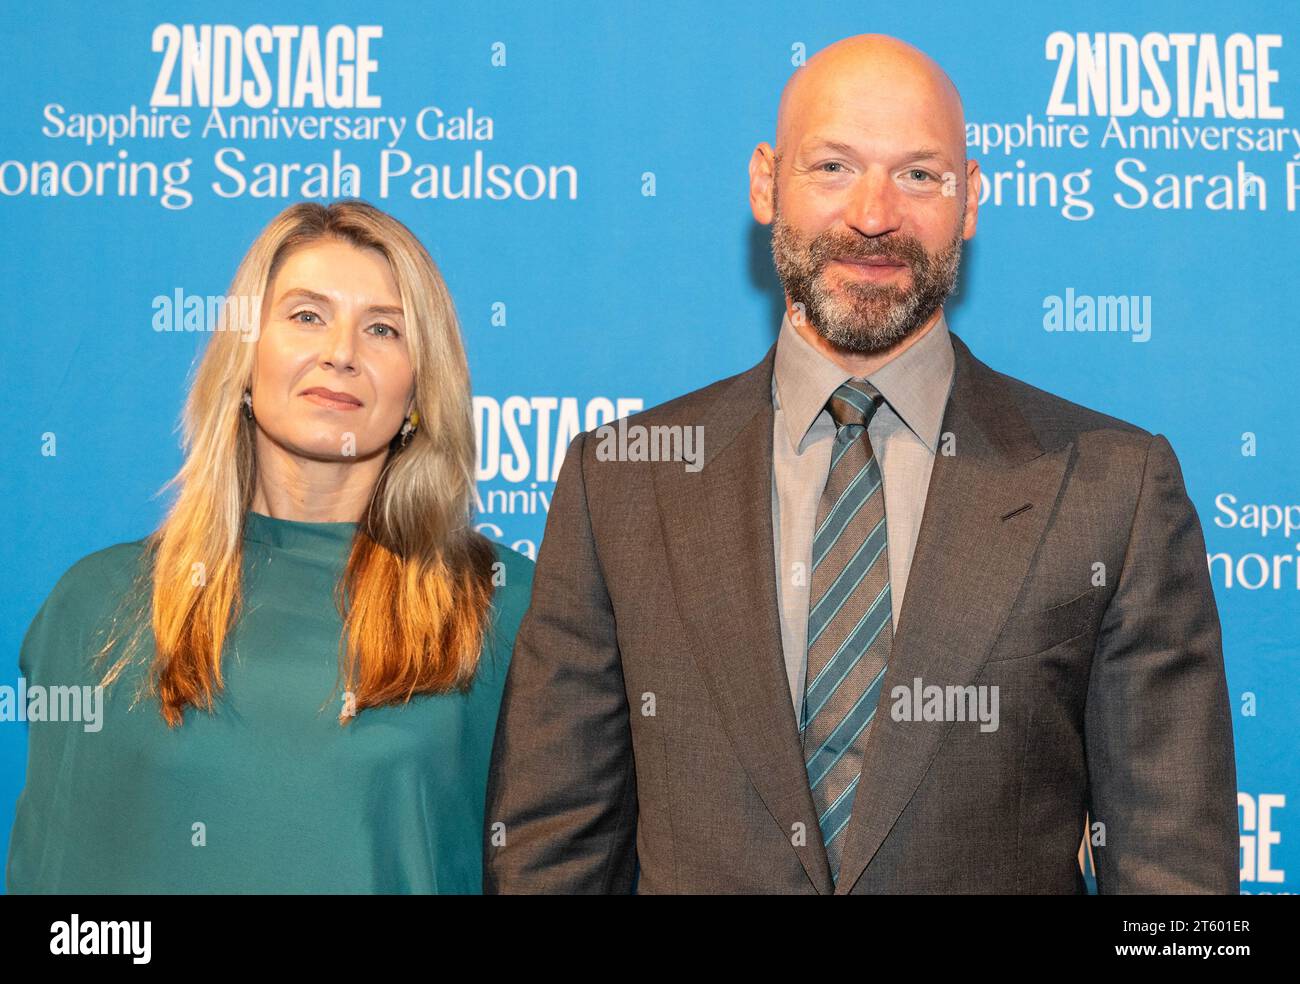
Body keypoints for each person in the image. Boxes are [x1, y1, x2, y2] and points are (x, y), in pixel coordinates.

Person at [483, 35, 1238, 894]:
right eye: (833, 167)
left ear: (972, 200)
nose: (873, 214)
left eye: (919, 174)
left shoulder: (1113, 487)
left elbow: (1178, 877)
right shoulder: (621, 480)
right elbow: (551, 850)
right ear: (766, 184)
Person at [7, 199, 532, 893]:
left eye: (383, 329)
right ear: (246, 355)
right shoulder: (96, 604)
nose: (340, 353)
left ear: (418, 387)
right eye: (306, 315)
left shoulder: (506, 605)